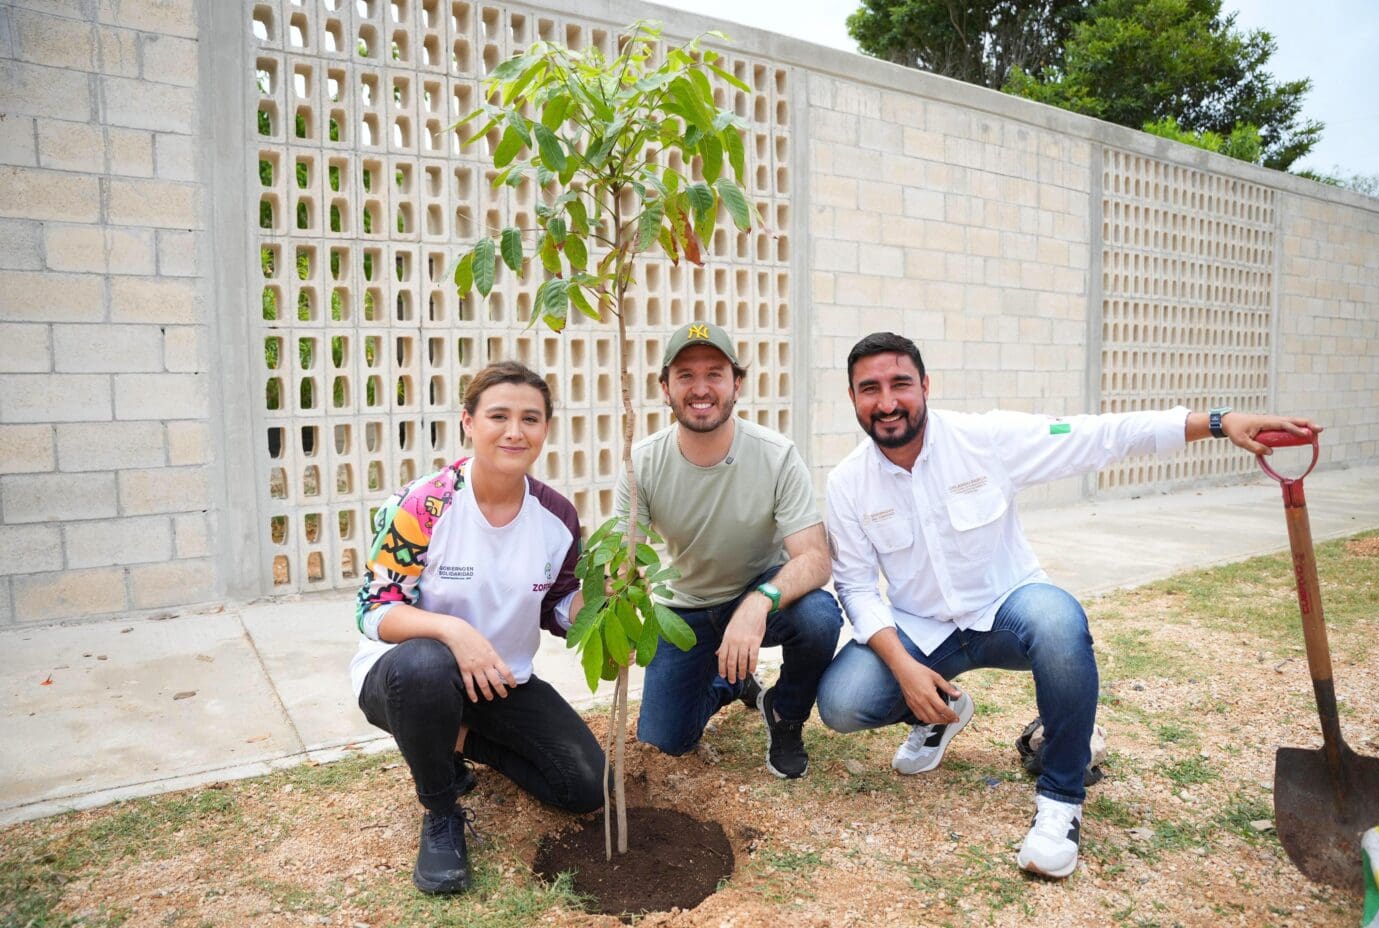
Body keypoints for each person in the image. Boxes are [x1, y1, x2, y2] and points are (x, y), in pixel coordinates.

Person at [816, 332, 1320, 879]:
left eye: (900, 384)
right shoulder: (848, 483)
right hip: (923, 629)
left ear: (925, 386)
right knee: (843, 702)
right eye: (870, 389)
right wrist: (905, 669)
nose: (887, 402)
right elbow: (857, 588)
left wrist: (1217, 422)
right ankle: (936, 714)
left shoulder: (985, 438)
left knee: (1058, 621)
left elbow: (1098, 436)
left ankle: (1060, 800)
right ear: (853, 397)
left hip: (1007, 611)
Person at [350, 361, 605, 895]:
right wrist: (453, 632)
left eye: (530, 419)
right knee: (426, 665)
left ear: (545, 428)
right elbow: (374, 609)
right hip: (405, 676)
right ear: (468, 421)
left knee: (584, 785)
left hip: (499, 680)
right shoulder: (424, 504)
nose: (515, 431)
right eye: (498, 416)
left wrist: (605, 601)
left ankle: (455, 738)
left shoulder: (557, 516)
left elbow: (556, 606)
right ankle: (441, 810)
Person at [620, 322, 843, 779]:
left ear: (736, 384)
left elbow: (815, 558)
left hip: (757, 590)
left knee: (819, 618)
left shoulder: (776, 454)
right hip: (684, 606)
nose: (701, 388)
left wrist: (758, 604)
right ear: (665, 389)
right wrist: (621, 593)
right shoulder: (641, 462)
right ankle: (731, 681)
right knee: (665, 739)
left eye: (715, 374)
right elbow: (625, 559)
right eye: (685, 375)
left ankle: (785, 714)